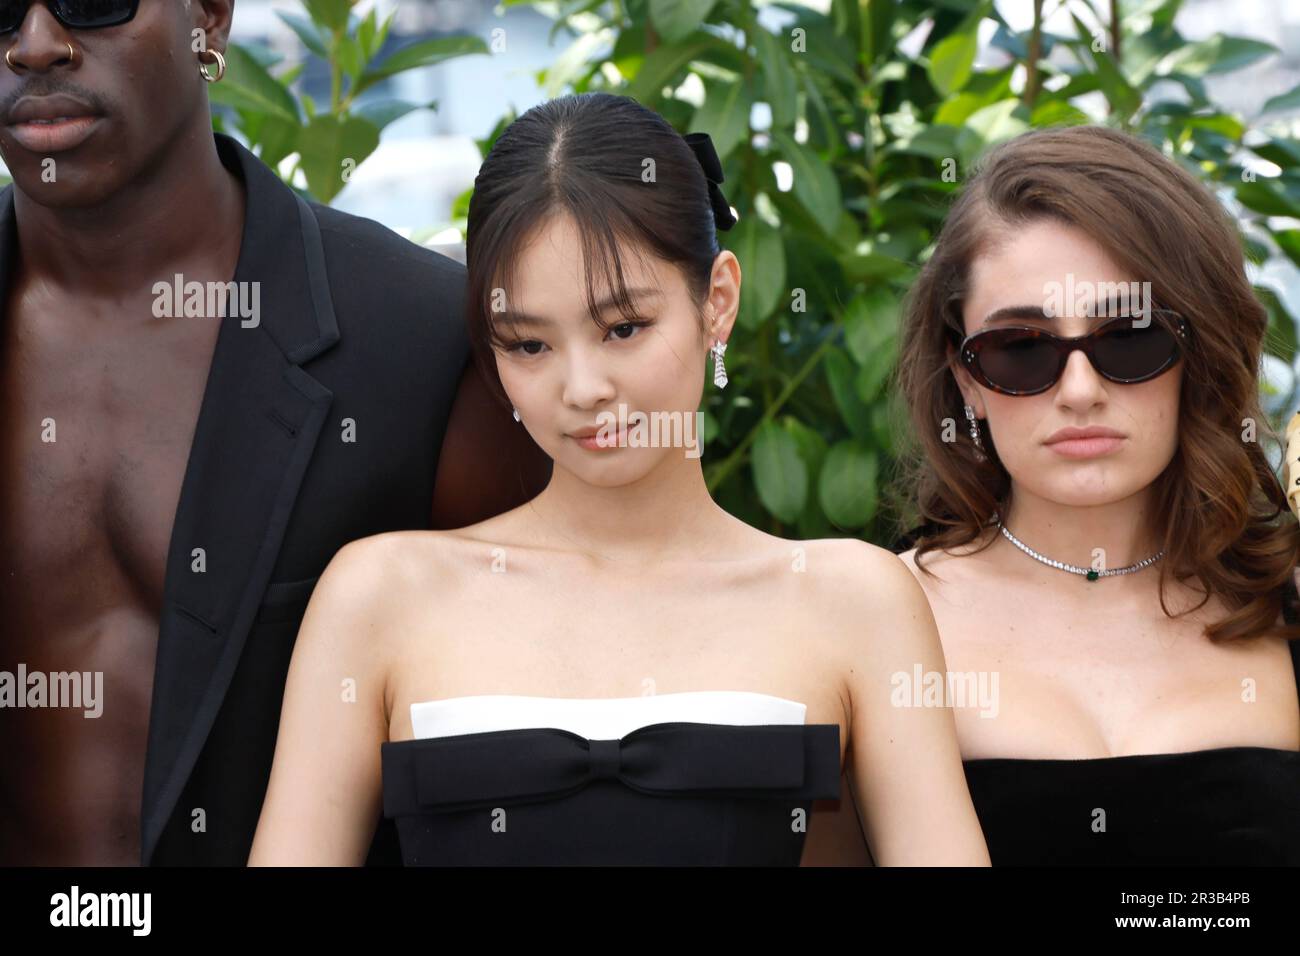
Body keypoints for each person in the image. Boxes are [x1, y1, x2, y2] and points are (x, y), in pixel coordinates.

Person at [248, 92, 991, 866]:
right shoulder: (380, 594)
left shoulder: (853, 600)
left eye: (623, 328)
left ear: (719, 302)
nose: (582, 387)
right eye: (528, 345)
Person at [0, 0, 548, 866]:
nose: (35, 44)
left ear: (210, 19)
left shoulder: (424, 342)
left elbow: (518, 784)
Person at [893, 124, 1300, 865]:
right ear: (965, 379)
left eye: (1130, 339)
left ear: (1197, 354)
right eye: (1022, 348)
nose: (1080, 391)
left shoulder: (1286, 603)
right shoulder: (877, 615)